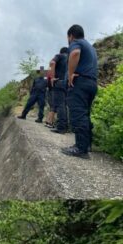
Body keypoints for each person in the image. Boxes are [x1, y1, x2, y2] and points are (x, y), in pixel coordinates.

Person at [62, 24, 98, 158]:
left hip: (80, 83)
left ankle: (81, 149)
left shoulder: (76, 43)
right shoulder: (91, 47)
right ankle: (86, 145)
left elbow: (75, 53)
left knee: (78, 114)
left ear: (70, 36)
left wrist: (70, 73)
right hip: (92, 83)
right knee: (85, 114)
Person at [48, 47, 70, 134]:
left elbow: (52, 63)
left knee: (60, 105)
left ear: (61, 52)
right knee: (64, 105)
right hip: (66, 84)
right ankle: (66, 126)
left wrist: (53, 78)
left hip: (59, 82)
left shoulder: (59, 56)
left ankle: (61, 127)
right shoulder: (70, 59)